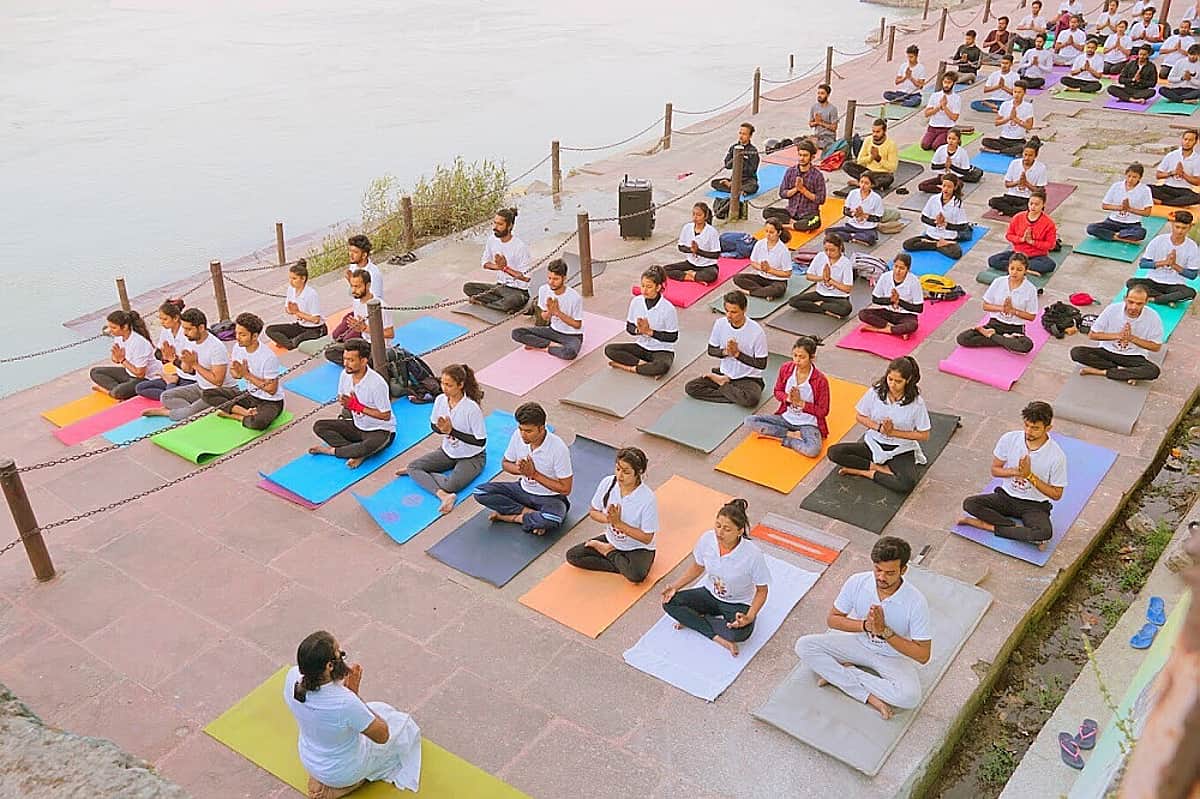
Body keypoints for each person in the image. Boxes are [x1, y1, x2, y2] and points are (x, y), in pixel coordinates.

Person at [795, 536, 931, 720]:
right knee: (804, 645)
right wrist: (866, 626)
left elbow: (923, 655)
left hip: (891, 655)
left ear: (903, 570)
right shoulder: (857, 581)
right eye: (878, 569)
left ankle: (845, 673)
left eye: (890, 573)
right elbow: (833, 620)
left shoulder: (916, 602)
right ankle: (868, 697)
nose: (881, 577)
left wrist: (884, 631)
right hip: (858, 642)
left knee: (909, 697)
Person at [285, 631, 421, 798]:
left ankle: (320, 777)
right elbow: (382, 736)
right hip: (343, 771)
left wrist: (350, 698)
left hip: (309, 757)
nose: (342, 658)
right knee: (403, 726)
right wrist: (353, 693)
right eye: (339, 655)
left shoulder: (292, 677)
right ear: (329, 666)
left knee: (378, 709)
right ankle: (336, 789)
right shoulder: (345, 702)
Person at [661, 498, 770, 658]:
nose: (719, 532)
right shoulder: (707, 539)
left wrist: (750, 616)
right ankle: (717, 637)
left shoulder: (752, 555)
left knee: (740, 634)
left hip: (736, 603)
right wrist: (675, 586)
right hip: (710, 594)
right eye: (718, 525)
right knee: (669, 602)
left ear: (740, 531)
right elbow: (698, 566)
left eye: (727, 529)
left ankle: (696, 619)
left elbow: (762, 590)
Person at [959, 401, 1069, 548]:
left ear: (1048, 428)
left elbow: (1056, 494)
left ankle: (986, 526)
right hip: (1006, 497)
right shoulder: (1009, 439)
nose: (1029, 431)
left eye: (1035, 428)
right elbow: (995, 470)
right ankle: (1015, 529)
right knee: (970, 503)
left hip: (1034, 505)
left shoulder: (1057, 456)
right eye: (1027, 425)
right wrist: (1016, 472)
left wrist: (1029, 476)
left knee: (1044, 533)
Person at [827, 356, 932, 493]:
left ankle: (866, 472)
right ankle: (878, 468)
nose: (892, 385)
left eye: (898, 381)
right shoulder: (875, 392)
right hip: (874, 443)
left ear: (908, 380)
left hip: (900, 449)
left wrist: (893, 432)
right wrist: (880, 428)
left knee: (907, 484)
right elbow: (860, 416)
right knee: (834, 452)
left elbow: (924, 435)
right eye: (890, 379)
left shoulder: (917, 403)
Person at [473, 402, 573, 536]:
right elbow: (505, 463)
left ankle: (510, 517)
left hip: (549, 498)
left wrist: (534, 474)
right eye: (521, 429)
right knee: (480, 492)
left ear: (541, 428)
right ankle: (530, 515)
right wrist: (521, 470)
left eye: (528, 431)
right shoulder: (517, 436)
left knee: (552, 519)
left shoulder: (558, 448)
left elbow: (566, 489)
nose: (523, 435)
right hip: (522, 490)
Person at [398, 364, 487, 514]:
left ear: (460, 385)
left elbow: (480, 441)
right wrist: (442, 429)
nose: (444, 388)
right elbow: (433, 425)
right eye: (442, 383)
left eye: (449, 385)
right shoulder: (440, 400)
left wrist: (451, 431)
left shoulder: (471, 408)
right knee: (413, 466)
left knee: (450, 485)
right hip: (448, 450)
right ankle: (443, 495)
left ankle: (424, 476)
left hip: (472, 456)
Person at [565, 447, 658, 584]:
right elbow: (593, 512)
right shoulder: (608, 483)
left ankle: (608, 552)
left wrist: (618, 524)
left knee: (636, 575)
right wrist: (608, 519)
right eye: (618, 469)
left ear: (639, 473)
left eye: (626, 472)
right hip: (612, 539)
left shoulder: (647, 498)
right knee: (573, 556)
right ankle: (618, 559)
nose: (620, 476)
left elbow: (647, 538)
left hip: (637, 548)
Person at [308, 340, 395, 469]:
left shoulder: (377, 384)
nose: (345, 364)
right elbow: (343, 397)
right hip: (357, 424)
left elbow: (385, 415)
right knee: (319, 426)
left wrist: (357, 406)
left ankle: (332, 451)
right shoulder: (345, 374)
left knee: (368, 446)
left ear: (364, 361)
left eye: (351, 360)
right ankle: (355, 452)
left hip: (379, 429)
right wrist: (345, 402)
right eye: (345, 359)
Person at [742, 336, 831, 458]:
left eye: (802, 357)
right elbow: (777, 391)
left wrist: (801, 403)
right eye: (795, 355)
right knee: (749, 421)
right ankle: (789, 434)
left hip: (807, 423)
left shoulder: (820, 380)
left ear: (812, 358)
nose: (797, 361)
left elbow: (823, 411)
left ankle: (783, 438)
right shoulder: (786, 369)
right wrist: (788, 398)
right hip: (786, 417)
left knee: (812, 450)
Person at [143, 308, 234, 422]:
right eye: (184, 328)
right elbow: (188, 370)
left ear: (201, 328)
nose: (185, 333)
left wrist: (195, 365)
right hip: (201, 387)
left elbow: (218, 381)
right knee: (165, 396)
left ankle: (170, 412)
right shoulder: (191, 342)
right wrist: (174, 359)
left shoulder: (216, 347)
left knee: (186, 415)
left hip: (220, 392)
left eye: (188, 329)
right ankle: (188, 408)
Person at [202, 312, 285, 431]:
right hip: (250, 395)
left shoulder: (268, 357)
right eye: (236, 333)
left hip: (270, 402)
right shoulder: (238, 348)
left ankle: (235, 416)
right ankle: (246, 413)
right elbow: (236, 375)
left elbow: (271, 389)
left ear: (255, 336)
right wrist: (237, 373)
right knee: (208, 394)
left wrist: (247, 375)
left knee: (258, 423)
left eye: (242, 335)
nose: (237, 337)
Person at [686, 291, 769, 407]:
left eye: (734, 312)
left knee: (751, 400)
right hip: (725, 373)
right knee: (691, 387)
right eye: (727, 311)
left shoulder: (757, 332)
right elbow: (711, 350)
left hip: (748, 378)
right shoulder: (720, 324)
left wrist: (737, 355)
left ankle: (724, 385)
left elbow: (761, 364)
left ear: (744, 309)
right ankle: (731, 392)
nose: (729, 315)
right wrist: (726, 352)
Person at [1070, 287, 1164, 382]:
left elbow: (1156, 347)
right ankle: (1126, 373)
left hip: (1133, 356)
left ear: (1146, 302)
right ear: (1125, 299)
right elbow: (1092, 335)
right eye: (1131, 302)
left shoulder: (1153, 317)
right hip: (1107, 351)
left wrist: (1132, 338)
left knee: (1153, 371)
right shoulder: (1112, 309)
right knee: (1076, 352)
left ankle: (1101, 372)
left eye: (1139, 304)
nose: (1133, 307)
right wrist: (1118, 336)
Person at [956, 254, 1039, 353]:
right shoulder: (999, 282)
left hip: (1015, 329)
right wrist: (1002, 308)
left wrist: (1013, 311)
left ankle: (992, 336)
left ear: (1026, 271)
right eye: (1012, 268)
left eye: (1019, 270)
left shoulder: (1030, 289)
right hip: (995, 324)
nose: (1014, 272)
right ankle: (1006, 341)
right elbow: (985, 306)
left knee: (1026, 346)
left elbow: (1031, 316)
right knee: (963, 338)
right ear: (1008, 268)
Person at [606, 265, 679, 377]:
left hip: (661, 349)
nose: (644, 290)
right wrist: (638, 330)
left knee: (662, 366)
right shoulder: (636, 302)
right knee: (610, 349)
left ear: (658, 287)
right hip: (641, 346)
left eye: (649, 287)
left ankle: (627, 367)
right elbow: (629, 327)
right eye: (643, 286)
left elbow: (673, 337)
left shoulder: (668, 309)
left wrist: (650, 332)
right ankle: (643, 366)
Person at [510, 259, 584, 360]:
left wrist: (558, 313)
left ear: (564, 278)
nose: (551, 282)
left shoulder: (575, 297)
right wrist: (549, 312)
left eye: (555, 279)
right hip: (553, 331)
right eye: (549, 278)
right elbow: (544, 317)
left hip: (572, 335)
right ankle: (551, 345)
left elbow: (577, 325)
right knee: (517, 333)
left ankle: (543, 347)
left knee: (570, 353)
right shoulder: (544, 290)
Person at [462, 208, 532, 312]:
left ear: (510, 226)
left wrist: (505, 268)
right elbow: (484, 263)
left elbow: (526, 278)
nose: (495, 227)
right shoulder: (492, 240)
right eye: (494, 223)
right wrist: (497, 267)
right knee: (468, 287)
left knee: (512, 301)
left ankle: (485, 303)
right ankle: (498, 304)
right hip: (499, 287)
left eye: (500, 224)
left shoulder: (520, 247)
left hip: (518, 291)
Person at [324, 270, 394, 365]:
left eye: (357, 287)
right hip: (363, 343)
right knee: (331, 352)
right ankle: (358, 363)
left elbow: (390, 333)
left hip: (378, 348)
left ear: (368, 285)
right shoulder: (357, 301)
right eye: (352, 286)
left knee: (371, 360)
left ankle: (361, 364)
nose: (354, 290)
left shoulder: (381, 306)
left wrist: (365, 328)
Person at [1130, 210, 1200, 305]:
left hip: (1175, 285)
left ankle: (1155, 298)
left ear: (1190, 227)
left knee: (1190, 293)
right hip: (1153, 281)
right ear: (1172, 224)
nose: (1180, 231)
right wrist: (1164, 262)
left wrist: (1174, 265)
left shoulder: (1192, 247)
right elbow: (1143, 264)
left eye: (1184, 228)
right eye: (1177, 227)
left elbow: (1192, 275)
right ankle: (1167, 299)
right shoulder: (1158, 240)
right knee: (1131, 283)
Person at [90, 309, 161, 400]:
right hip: (129, 372)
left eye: (114, 328)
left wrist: (122, 360)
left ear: (125, 327)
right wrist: (116, 358)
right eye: (110, 327)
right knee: (95, 372)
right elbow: (116, 358)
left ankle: (111, 392)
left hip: (146, 378)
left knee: (118, 392)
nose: (110, 331)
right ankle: (120, 390)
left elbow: (140, 374)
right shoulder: (119, 338)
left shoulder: (139, 343)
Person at [987, 189, 1059, 273]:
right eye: (1031, 203)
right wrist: (1021, 239)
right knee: (993, 260)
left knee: (1050, 265)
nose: (1033, 207)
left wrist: (1032, 242)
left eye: (1036, 204)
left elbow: (1050, 245)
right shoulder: (1018, 217)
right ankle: (1023, 269)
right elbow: (1009, 235)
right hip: (1018, 254)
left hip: (1037, 256)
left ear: (1043, 205)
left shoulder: (1048, 223)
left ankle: (1016, 268)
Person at [903, 174, 972, 260]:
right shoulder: (934, 199)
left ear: (954, 187)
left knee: (956, 253)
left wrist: (945, 224)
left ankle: (933, 244)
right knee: (907, 244)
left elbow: (962, 226)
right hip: (932, 234)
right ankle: (937, 245)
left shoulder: (957, 203)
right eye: (944, 186)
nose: (946, 189)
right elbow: (924, 218)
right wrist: (936, 223)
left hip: (948, 236)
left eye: (949, 187)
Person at [763, 140, 826, 232]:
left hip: (808, 213)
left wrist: (803, 190)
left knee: (816, 222)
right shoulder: (791, 171)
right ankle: (794, 224)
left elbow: (821, 199)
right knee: (767, 212)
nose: (801, 158)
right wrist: (796, 189)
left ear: (812, 157)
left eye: (805, 156)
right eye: (800, 155)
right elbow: (782, 193)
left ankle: (786, 226)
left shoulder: (817, 175)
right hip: (791, 212)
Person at [134, 299, 190, 401]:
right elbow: (159, 352)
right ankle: (172, 392)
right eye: (160, 319)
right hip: (177, 374)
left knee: (169, 394)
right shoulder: (166, 331)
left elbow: (190, 365)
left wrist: (173, 359)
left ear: (176, 318)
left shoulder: (186, 333)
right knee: (140, 387)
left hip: (190, 377)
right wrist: (164, 357)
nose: (162, 322)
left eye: (165, 319)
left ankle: (172, 389)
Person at [789, 233, 855, 318]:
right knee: (793, 301)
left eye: (832, 250)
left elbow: (847, 289)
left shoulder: (846, 263)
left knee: (846, 309)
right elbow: (809, 276)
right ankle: (825, 310)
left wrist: (830, 281)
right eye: (826, 250)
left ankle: (819, 305)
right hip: (820, 294)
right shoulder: (820, 256)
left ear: (840, 248)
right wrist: (822, 278)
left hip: (838, 297)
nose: (828, 253)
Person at [858, 253, 924, 338]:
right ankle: (894, 329)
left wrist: (899, 302)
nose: (897, 271)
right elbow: (875, 299)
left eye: (902, 268)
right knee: (863, 314)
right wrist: (890, 300)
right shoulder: (885, 277)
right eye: (895, 266)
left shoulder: (914, 281)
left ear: (908, 269)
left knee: (913, 325)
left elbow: (919, 308)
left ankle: (879, 329)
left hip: (905, 315)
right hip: (888, 312)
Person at [266, 260, 327, 351]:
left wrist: (297, 312)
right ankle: (290, 340)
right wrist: (290, 310)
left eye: (294, 279)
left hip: (315, 330)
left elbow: (316, 320)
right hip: (300, 326)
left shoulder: (311, 294)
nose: (291, 281)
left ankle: (290, 341)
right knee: (270, 330)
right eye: (290, 278)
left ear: (303, 279)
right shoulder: (291, 289)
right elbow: (288, 309)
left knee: (292, 344)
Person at [1087, 162, 1154, 243]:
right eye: (1129, 176)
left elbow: (1147, 213)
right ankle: (1120, 237)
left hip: (1132, 224)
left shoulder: (1145, 190)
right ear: (1125, 174)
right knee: (1091, 228)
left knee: (1141, 233)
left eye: (1134, 177)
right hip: (1112, 221)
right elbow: (1104, 205)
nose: (1130, 179)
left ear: (1140, 178)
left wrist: (1129, 209)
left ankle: (1112, 235)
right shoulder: (1116, 186)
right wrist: (1121, 208)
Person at [733, 219, 794, 298]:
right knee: (738, 278)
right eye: (766, 231)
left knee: (778, 290)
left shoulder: (783, 250)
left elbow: (787, 274)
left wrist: (769, 270)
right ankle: (763, 292)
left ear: (779, 233)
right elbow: (753, 262)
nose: (768, 235)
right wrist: (761, 268)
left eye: (771, 232)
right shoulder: (760, 244)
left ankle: (750, 292)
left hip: (777, 280)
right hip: (761, 277)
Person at [988, 142, 1049, 217]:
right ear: (1022, 153)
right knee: (993, 201)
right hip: (1011, 197)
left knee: (1035, 207)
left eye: (1030, 155)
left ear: (1035, 155)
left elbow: (1040, 191)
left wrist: (1026, 183)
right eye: (1025, 154)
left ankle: (1008, 211)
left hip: (1027, 199)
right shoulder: (1014, 163)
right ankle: (1018, 213)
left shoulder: (1041, 168)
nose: (1027, 158)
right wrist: (1018, 182)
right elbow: (1007, 184)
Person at [665, 203, 721, 283]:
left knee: (712, 276)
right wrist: (691, 250)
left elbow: (716, 254)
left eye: (698, 215)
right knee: (666, 269)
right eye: (693, 214)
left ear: (705, 216)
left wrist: (698, 251)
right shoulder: (687, 227)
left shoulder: (712, 231)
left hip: (707, 265)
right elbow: (680, 246)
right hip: (691, 263)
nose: (695, 217)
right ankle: (692, 277)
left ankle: (691, 274)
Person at [918, 128, 983, 194]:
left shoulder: (962, 152)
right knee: (922, 186)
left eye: (954, 139)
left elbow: (965, 171)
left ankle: (945, 189)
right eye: (949, 138)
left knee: (958, 185)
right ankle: (945, 189)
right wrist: (944, 165)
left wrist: (951, 166)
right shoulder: (941, 149)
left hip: (955, 178)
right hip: (942, 176)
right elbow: (933, 166)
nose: (951, 141)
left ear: (958, 140)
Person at [826, 174, 883, 247]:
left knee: (871, 238)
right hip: (852, 225)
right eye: (861, 182)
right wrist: (854, 214)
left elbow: (878, 218)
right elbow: (845, 211)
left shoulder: (876, 198)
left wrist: (863, 215)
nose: (863, 185)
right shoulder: (853, 193)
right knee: (828, 232)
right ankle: (854, 238)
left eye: (866, 183)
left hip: (867, 228)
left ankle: (849, 237)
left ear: (871, 185)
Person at [844, 118, 899, 192]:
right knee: (847, 165)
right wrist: (871, 157)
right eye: (873, 131)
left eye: (878, 132)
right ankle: (871, 184)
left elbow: (893, 168)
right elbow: (860, 160)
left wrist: (879, 159)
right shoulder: (868, 140)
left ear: (884, 131)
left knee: (889, 178)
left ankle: (861, 183)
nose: (875, 134)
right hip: (867, 172)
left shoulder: (891, 145)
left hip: (881, 174)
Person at [981, 81, 1035, 156]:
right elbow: (997, 123)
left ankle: (1000, 151)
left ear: (1024, 93)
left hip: (1018, 140)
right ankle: (1009, 151)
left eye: (1019, 92)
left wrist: (1016, 119)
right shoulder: (1005, 104)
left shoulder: (1028, 107)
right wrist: (1009, 118)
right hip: (1003, 139)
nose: (1016, 95)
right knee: (985, 141)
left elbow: (1029, 127)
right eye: (1015, 92)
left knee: (1023, 147)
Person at [1151, 129, 1200, 206]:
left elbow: (1197, 182)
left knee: (1197, 197)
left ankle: (1163, 202)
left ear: (1196, 142)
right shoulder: (1172, 155)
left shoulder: (1197, 159)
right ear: (1182, 140)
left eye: (1190, 140)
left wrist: (1183, 174)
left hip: (1184, 190)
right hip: (1167, 188)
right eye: (1185, 139)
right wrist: (1172, 173)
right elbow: (1158, 175)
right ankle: (1175, 202)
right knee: (1145, 188)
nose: (1187, 142)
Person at [711, 122, 760, 199]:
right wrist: (734, 158)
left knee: (754, 187)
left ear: (750, 136)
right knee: (714, 183)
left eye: (744, 134)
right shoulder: (733, 147)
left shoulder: (753, 151)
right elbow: (727, 165)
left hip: (747, 180)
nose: (741, 136)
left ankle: (733, 187)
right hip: (734, 179)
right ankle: (736, 188)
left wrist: (742, 161)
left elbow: (752, 170)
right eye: (740, 133)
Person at [921, 71, 962, 151]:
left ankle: (953, 140)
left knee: (936, 147)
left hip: (946, 128)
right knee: (925, 145)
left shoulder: (956, 98)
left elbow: (954, 117)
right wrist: (939, 107)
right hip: (933, 127)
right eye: (945, 82)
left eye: (949, 83)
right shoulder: (935, 95)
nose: (946, 85)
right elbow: (926, 113)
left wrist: (944, 107)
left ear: (954, 84)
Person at [807, 84, 839, 152]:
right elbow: (810, 124)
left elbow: (834, 128)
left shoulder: (832, 109)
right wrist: (816, 122)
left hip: (828, 138)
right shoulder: (814, 107)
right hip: (817, 136)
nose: (819, 95)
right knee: (804, 144)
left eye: (822, 93)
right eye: (818, 93)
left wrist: (821, 122)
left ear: (827, 95)